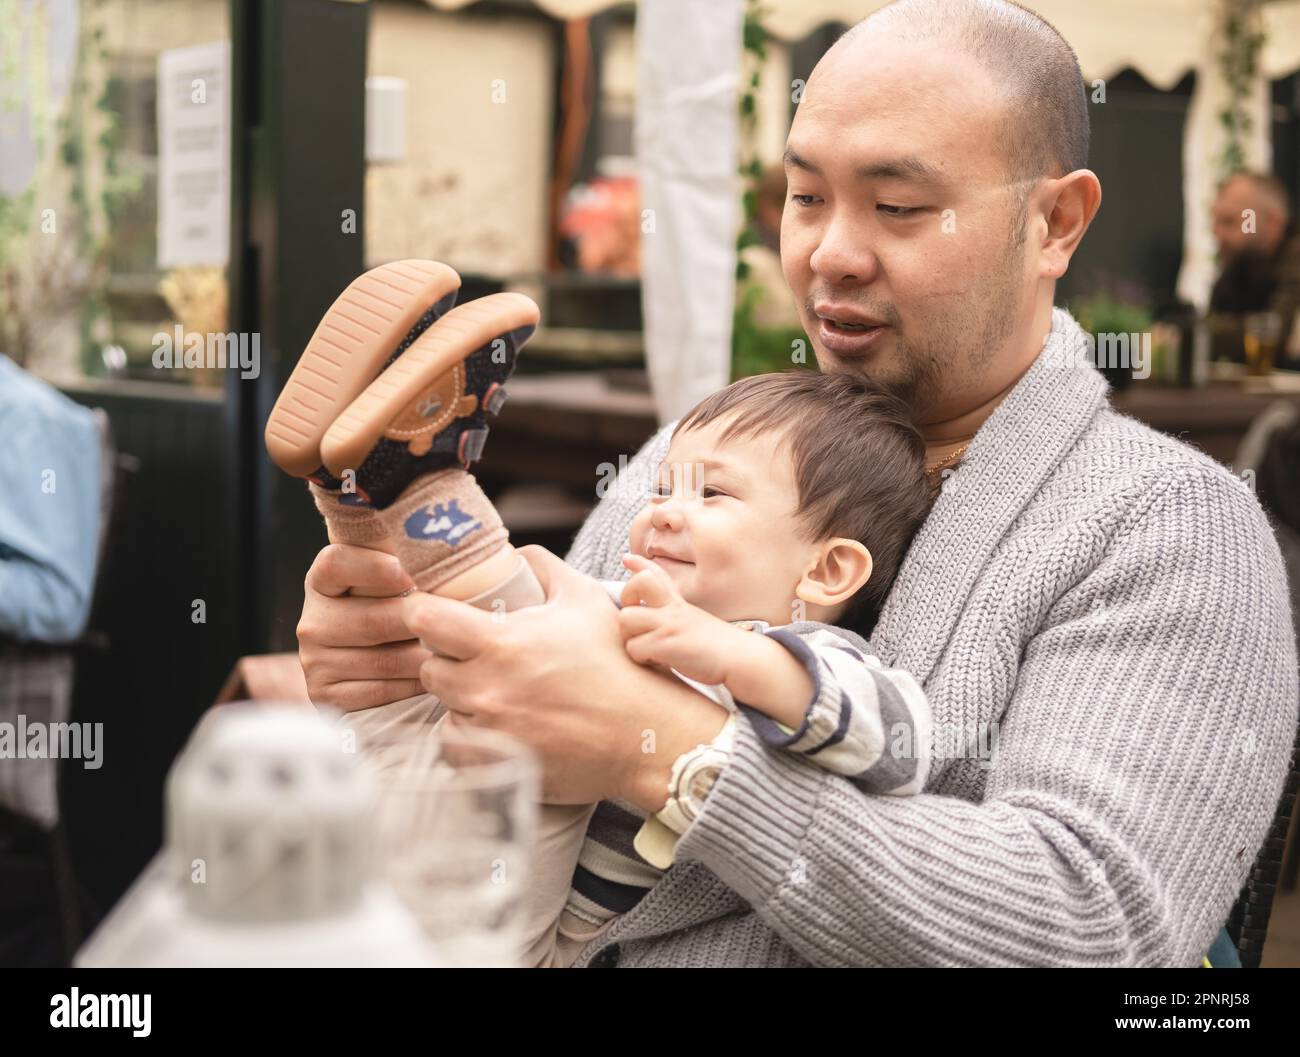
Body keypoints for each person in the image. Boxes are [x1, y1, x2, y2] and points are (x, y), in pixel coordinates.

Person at [296, 0, 1299, 967]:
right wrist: (426, 674)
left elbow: (1095, 923)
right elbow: (543, 753)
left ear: (1056, 223)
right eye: (805, 196)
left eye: (898, 206)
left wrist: (666, 752)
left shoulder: (1170, 528)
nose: (827, 252)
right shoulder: (700, 455)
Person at [264, 271, 935, 965]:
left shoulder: (800, 651)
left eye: (714, 494)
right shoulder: (632, 604)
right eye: (663, 488)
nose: (664, 511)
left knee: (531, 640)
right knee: (461, 651)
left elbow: (898, 745)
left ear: (826, 571)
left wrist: (731, 657)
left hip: (536, 935)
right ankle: (355, 496)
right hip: (419, 825)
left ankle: (417, 479)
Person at [1209, 169, 1300, 364]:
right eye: (1215, 221)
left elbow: (1273, 333)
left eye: (1230, 222)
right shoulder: (1241, 261)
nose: (1217, 233)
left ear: (1273, 223)